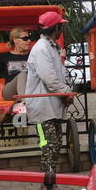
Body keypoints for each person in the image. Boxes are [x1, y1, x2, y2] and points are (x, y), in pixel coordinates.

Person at [24, 11, 74, 175]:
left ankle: (50, 182)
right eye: (61, 26)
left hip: (51, 106)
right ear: (55, 27)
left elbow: (57, 74)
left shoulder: (51, 47)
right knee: (48, 145)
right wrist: (66, 93)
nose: (62, 29)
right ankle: (47, 183)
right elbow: (49, 78)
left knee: (55, 143)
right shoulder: (41, 48)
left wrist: (66, 92)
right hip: (42, 108)